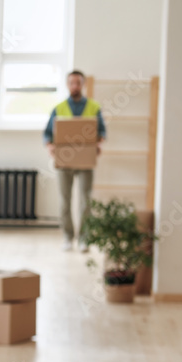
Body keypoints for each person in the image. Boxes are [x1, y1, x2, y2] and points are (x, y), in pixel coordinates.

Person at [44, 70, 106, 252]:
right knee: (65, 201)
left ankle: (84, 238)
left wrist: (98, 144)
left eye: (78, 83)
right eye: (72, 83)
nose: (75, 86)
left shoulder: (94, 107)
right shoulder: (59, 107)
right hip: (65, 161)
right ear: (67, 84)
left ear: (83, 84)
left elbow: (101, 132)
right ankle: (67, 236)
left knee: (86, 202)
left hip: (86, 161)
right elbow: (47, 134)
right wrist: (50, 147)